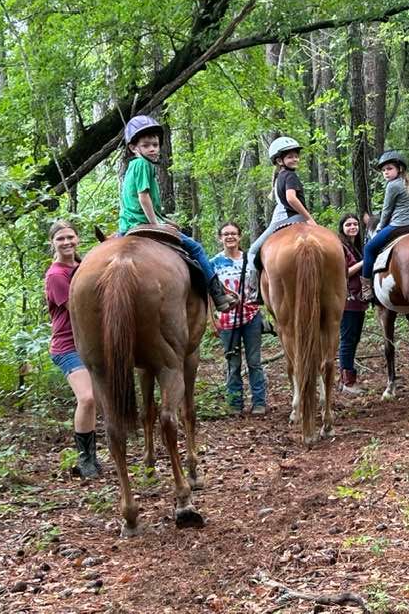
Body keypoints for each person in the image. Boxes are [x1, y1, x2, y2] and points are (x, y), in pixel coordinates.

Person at [119, 115, 237, 312]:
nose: (152, 149)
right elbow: (143, 197)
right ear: (133, 148)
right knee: (197, 248)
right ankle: (218, 295)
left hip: (127, 226)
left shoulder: (133, 166)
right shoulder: (142, 165)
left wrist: (166, 220)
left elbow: (141, 203)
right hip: (143, 224)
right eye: (146, 145)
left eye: (155, 145)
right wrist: (156, 224)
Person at [45, 221, 101, 479]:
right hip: (67, 345)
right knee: (87, 397)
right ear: (53, 243)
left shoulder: (82, 268)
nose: (67, 242)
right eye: (60, 239)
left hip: (89, 343)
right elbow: (78, 311)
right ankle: (85, 458)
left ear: (77, 239)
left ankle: (93, 456)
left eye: (70, 237)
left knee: (94, 401)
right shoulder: (56, 275)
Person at [210, 222, 266, 416]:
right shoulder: (213, 263)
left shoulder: (250, 259)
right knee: (233, 364)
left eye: (233, 234)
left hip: (251, 316)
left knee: (254, 362)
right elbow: (209, 294)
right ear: (220, 238)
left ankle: (259, 402)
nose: (230, 237)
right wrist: (212, 319)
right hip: (226, 320)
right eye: (226, 234)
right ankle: (235, 403)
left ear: (240, 237)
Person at [248, 135, 318, 282]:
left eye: (296, 156)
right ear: (280, 161)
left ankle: (254, 290)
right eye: (291, 157)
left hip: (284, 220)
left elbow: (291, 198)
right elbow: (291, 198)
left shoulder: (284, 176)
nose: (295, 159)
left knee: (252, 252)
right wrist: (308, 218)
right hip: (294, 218)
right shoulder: (289, 175)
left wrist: (308, 218)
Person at [360, 150, 409, 301]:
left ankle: (365, 289)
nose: (385, 173)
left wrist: (379, 228)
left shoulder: (392, 185)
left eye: (389, 168)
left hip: (400, 226)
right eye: (383, 170)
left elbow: (386, 210)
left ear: (400, 168)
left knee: (369, 248)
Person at [338, 214, 368, 394]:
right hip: (347, 300)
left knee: (354, 338)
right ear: (342, 227)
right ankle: (347, 382)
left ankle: (349, 379)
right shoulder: (341, 247)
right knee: (348, 340)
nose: (352, 227)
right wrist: (365, 261)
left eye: (355, 224)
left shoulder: (356, 247)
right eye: (348, 224)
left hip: (359, 300)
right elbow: (345, 273)